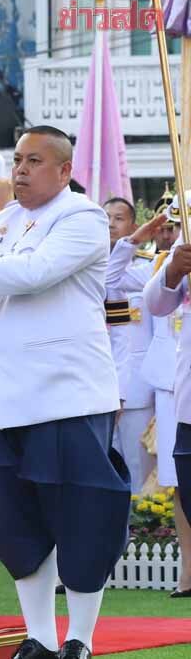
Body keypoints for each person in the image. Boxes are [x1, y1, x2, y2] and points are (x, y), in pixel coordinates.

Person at [0, 126, 129, 659]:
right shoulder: (0, 223)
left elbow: (35, 273)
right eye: (17, 159)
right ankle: (39, 635)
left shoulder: (82, 217)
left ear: (63, 171)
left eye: (34, 161)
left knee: (82, 515)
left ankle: (80, 639)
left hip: (67, 396)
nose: (19, 170)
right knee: (11, 516)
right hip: (7, 401)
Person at [139, 193, 191, 598]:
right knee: (187, 490)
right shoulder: (189, 217)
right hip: (187, 398)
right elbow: (156, 304)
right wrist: (173, 270)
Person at [104, 197, 158, 493]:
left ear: (134, 226)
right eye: (106, 217)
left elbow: (135, 339)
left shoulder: (146, 270)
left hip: (136, 389)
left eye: (118, 218)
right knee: (104, 471)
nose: (110, 223)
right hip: (97, 386)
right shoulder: (84, 268)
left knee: (138, 471)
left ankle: (140, 531)